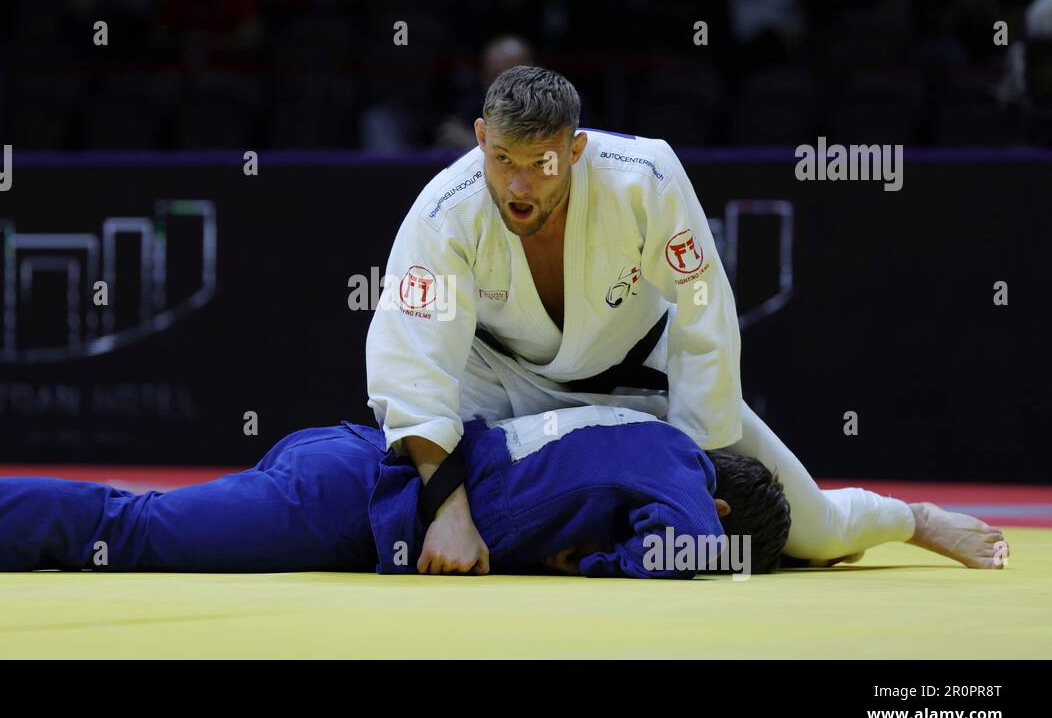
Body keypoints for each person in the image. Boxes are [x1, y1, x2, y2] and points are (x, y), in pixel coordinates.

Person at [366, 65, 1008, 574]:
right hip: (503, 391)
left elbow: (704, 310)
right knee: (457, 520)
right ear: (481, 138)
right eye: (504, 159)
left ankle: (913, 520)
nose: (519, 187)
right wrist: (446, 505)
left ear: (577, 148)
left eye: (543, 164)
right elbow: (410, 358)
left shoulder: (644, 177)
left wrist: (692, 463)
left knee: (811, 534)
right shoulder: (444, 213)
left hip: (644, 379)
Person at [0, 406, 789, 580]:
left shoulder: (635, 433)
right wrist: (605, 563)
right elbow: (677, 554)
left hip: (358, 480)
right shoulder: (679, 473)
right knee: (133, 531)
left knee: (142, 524)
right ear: (728, 510)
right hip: (352, 494)